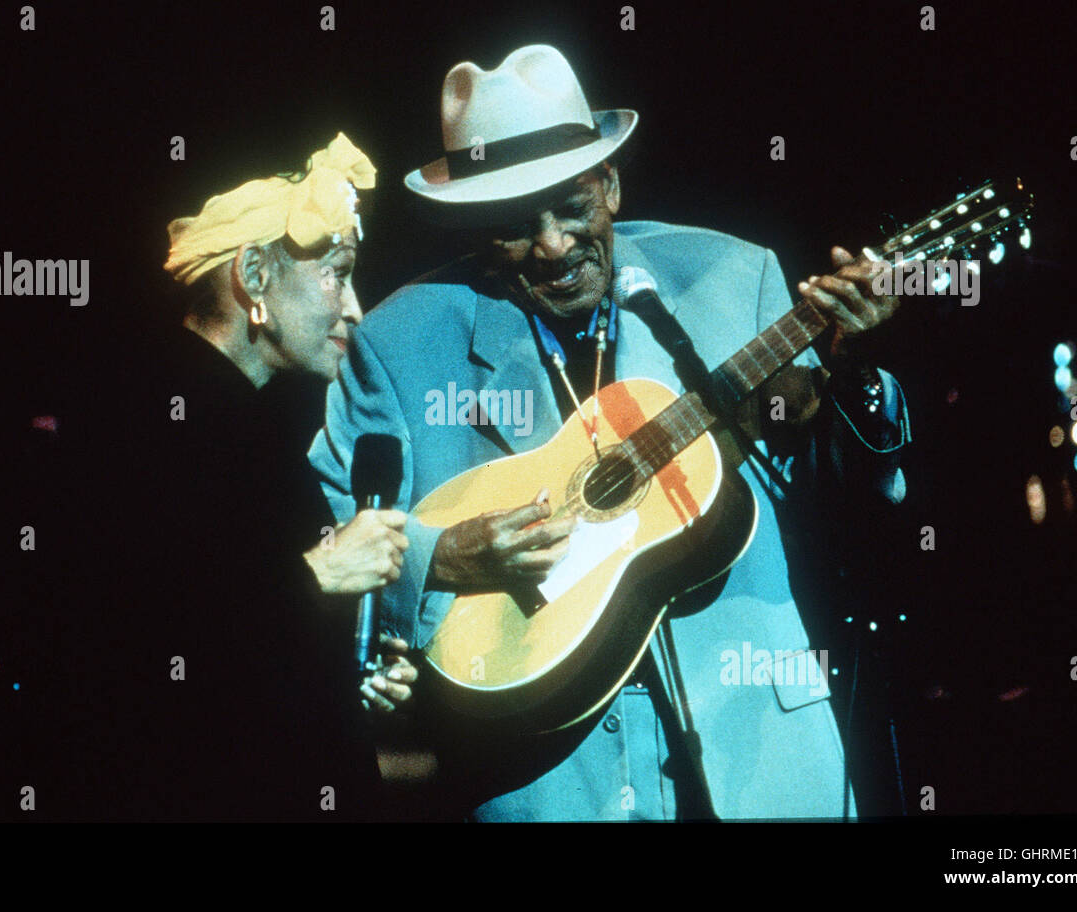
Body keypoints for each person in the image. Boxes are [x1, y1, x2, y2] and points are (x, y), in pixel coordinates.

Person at [309, 46, 910, 820]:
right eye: (516, 227)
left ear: (612, 184)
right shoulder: (398, 347)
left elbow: (849, 497)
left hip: (761, 755)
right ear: (471, 228)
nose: (554, 245)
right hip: (545, 779)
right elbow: (329, 547)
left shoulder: (735, 279)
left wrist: (854, 374)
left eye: (571, 206)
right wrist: (444, 557)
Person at [45, 133, 416, 821]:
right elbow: (130, 655)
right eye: (337, 273)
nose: (356, 308)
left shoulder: (242, 422)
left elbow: (237, 644)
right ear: (254, 275)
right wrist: (320, 576)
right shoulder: (148, 426)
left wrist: (345, 673)